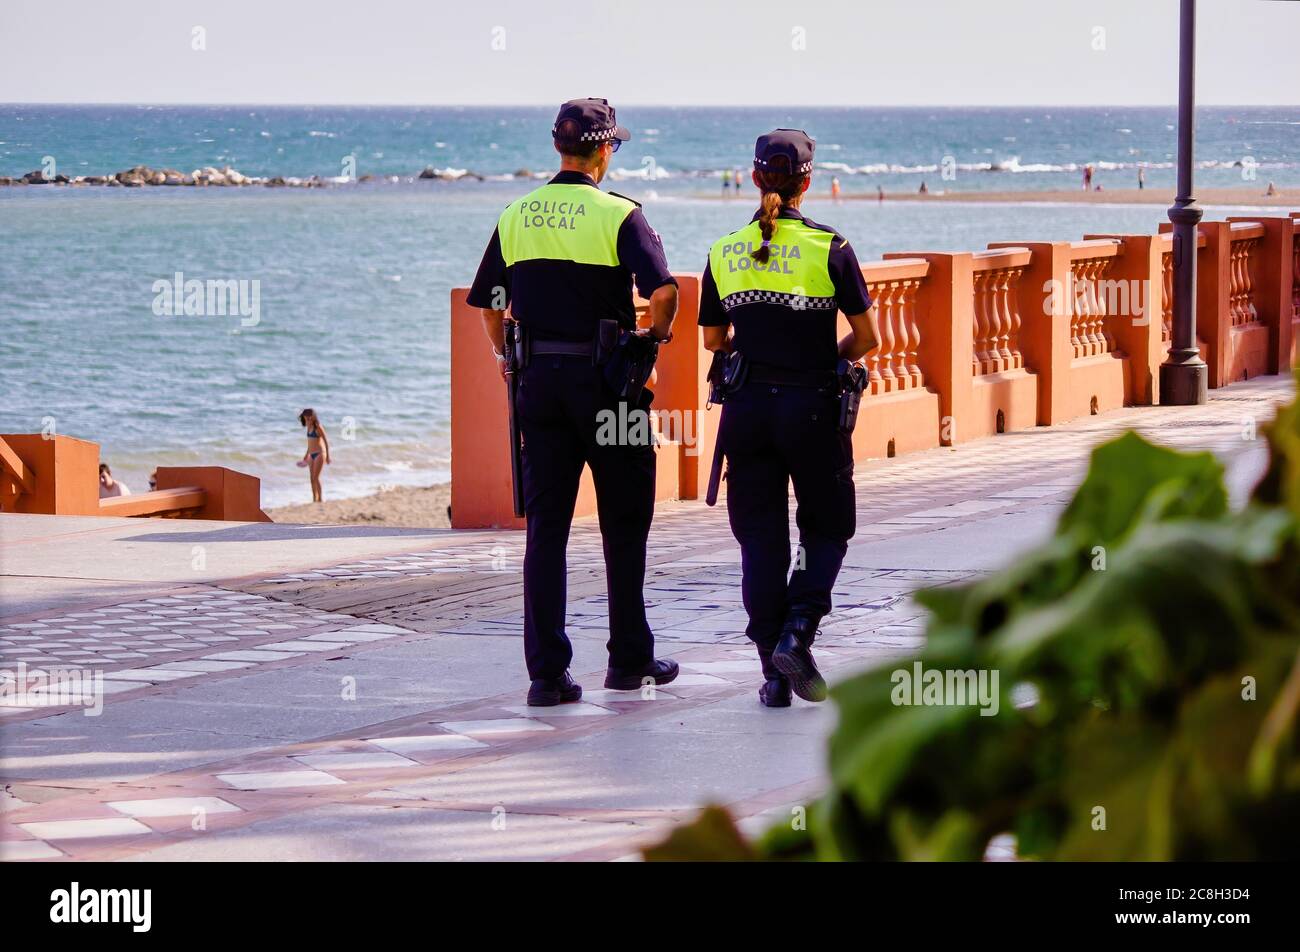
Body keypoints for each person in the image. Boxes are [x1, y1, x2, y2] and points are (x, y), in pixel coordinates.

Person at [468, 97, 681, 706]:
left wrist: (506, 354)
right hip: (611, 389)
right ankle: (629, 660)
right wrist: (651, 343)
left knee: (546, 530)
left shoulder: (516, 214)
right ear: (605, 150)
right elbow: (663, 294)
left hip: (538, 386)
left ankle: (546, 676)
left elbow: (490, 305)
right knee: (625, 523)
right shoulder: (621, 214)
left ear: (558, 147)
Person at [699, 129, 879, 707]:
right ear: (808, 180)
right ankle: (797, 632)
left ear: (755, 179)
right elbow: (868, 337)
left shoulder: (724, 251)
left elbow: (713, 340)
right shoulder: (832, 248)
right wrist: (827, 360)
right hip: (813, 410)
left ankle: (772, 675)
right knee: (826, 527)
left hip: (748, 412)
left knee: (760, 540)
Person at [298, 408, 330, 502]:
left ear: (313, 416)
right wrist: (306, 455)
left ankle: (320, 499)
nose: (308, 418)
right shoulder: (308, 426)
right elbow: (310, 443)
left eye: (309, 416)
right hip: (311, 455)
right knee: (311, 479)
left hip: (320, 454)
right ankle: (314, 499)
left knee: (316, 478)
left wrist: (328, 456)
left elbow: (326, 441)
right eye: (306, 416)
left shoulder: (318, 427)